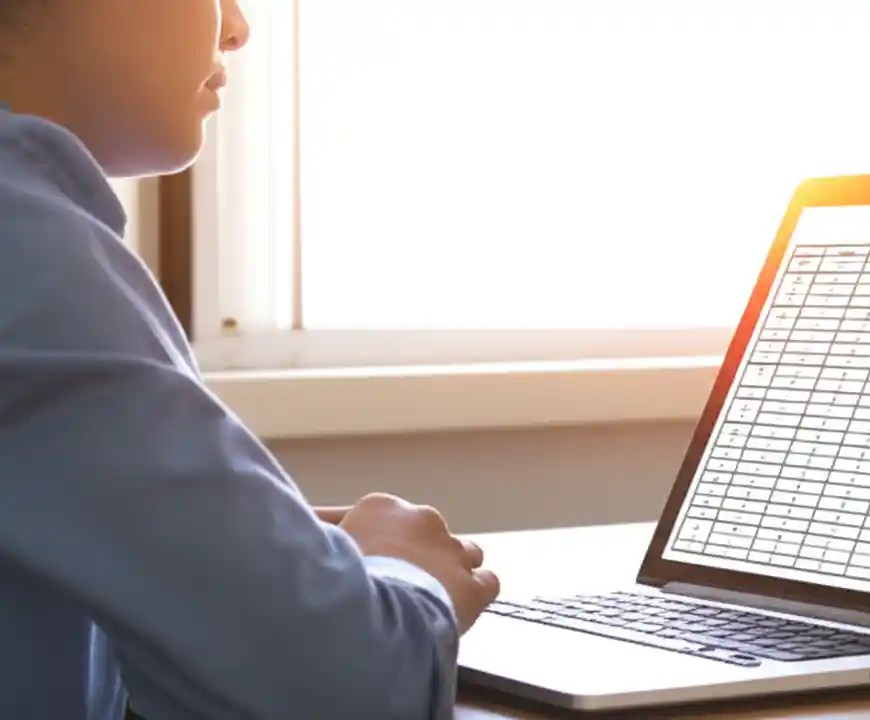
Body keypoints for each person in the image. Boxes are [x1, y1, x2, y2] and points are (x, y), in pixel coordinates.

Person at [0, 2, 500, 718]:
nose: (236, 27)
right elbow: (342, 689)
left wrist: (240, 556)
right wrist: (403, 572)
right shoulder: (29, 253)